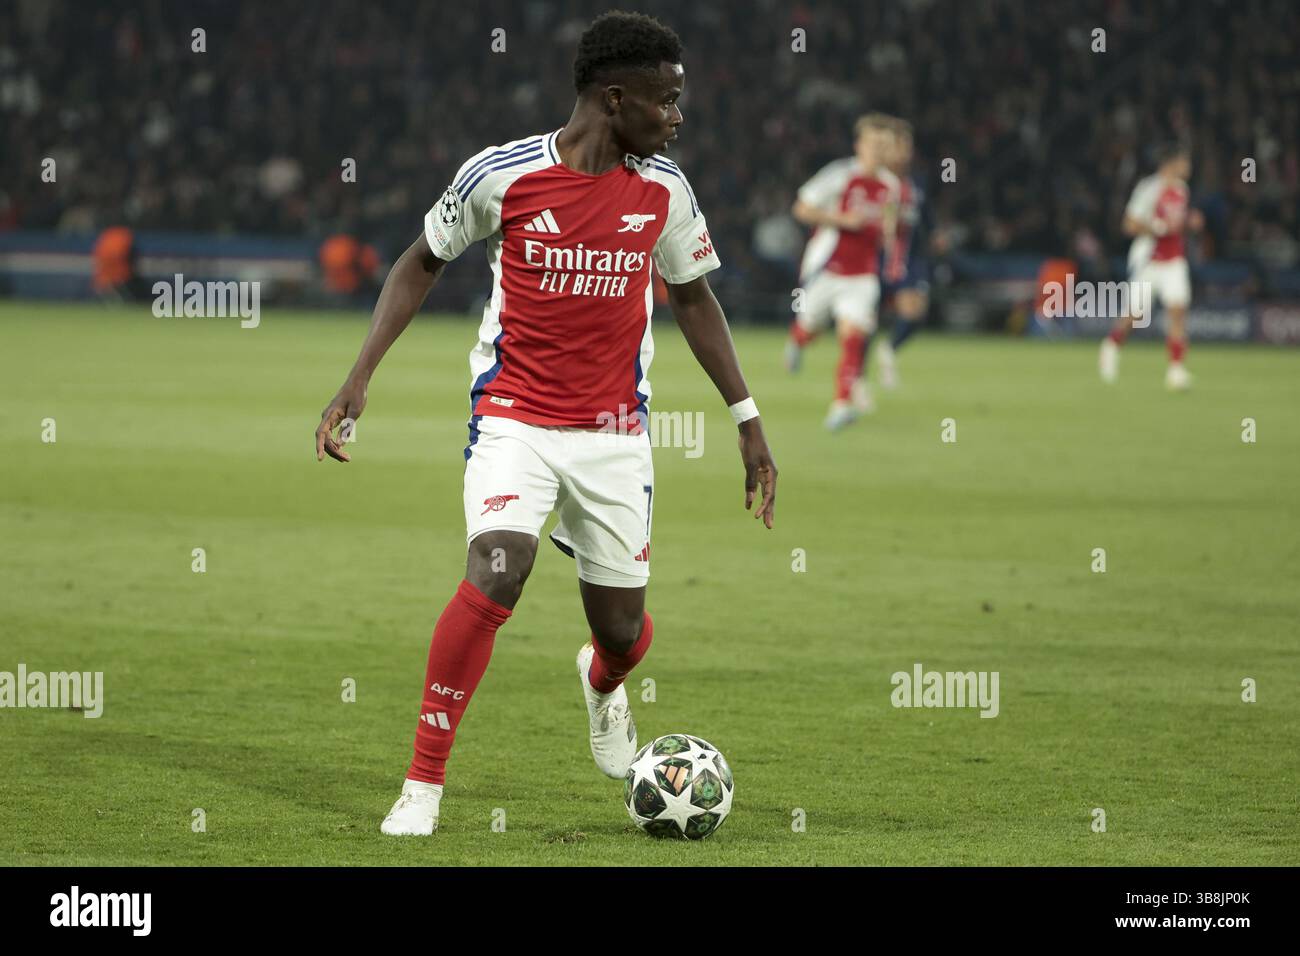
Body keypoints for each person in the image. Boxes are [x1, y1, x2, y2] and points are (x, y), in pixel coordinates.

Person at [314, 11, 777, 837]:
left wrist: (746, 419)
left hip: (613, 436)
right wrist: (358, 378)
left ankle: (602, 683)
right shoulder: (502, 175)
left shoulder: (665, 191)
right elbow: (420, 262)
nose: (677, 117)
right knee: (498, 566)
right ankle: (422, 785)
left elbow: (695, 297)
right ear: (614, 97)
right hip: (513, 420)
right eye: (665, 101)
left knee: (625, 633)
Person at [784, 114, 899, 430]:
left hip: (862, 277)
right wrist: (842, 220)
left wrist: (888, 237)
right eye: (874, 144)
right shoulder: (839, 175)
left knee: (852, 337)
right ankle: (797, 340)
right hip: (827, 271)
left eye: (884, 146)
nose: (879, 151)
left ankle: (841, 405)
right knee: (811, 329)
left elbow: (887, 224)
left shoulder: (891, 185)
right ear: (859, 145)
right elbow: (801, 208)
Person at [1100, 144, 1204, 389]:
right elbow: (1129, 224)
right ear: (1171, 162)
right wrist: (1156, 228)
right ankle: (1111, 345)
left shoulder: (1182, 190)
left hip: (1174, 259)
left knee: (1178, 311)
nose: (1188, 167)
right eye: (1184, 161)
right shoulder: (1149, 188)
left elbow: (1177, 223)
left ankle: (1176, 370)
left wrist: (1191, 222)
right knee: (1135, 316)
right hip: (1149, 260)